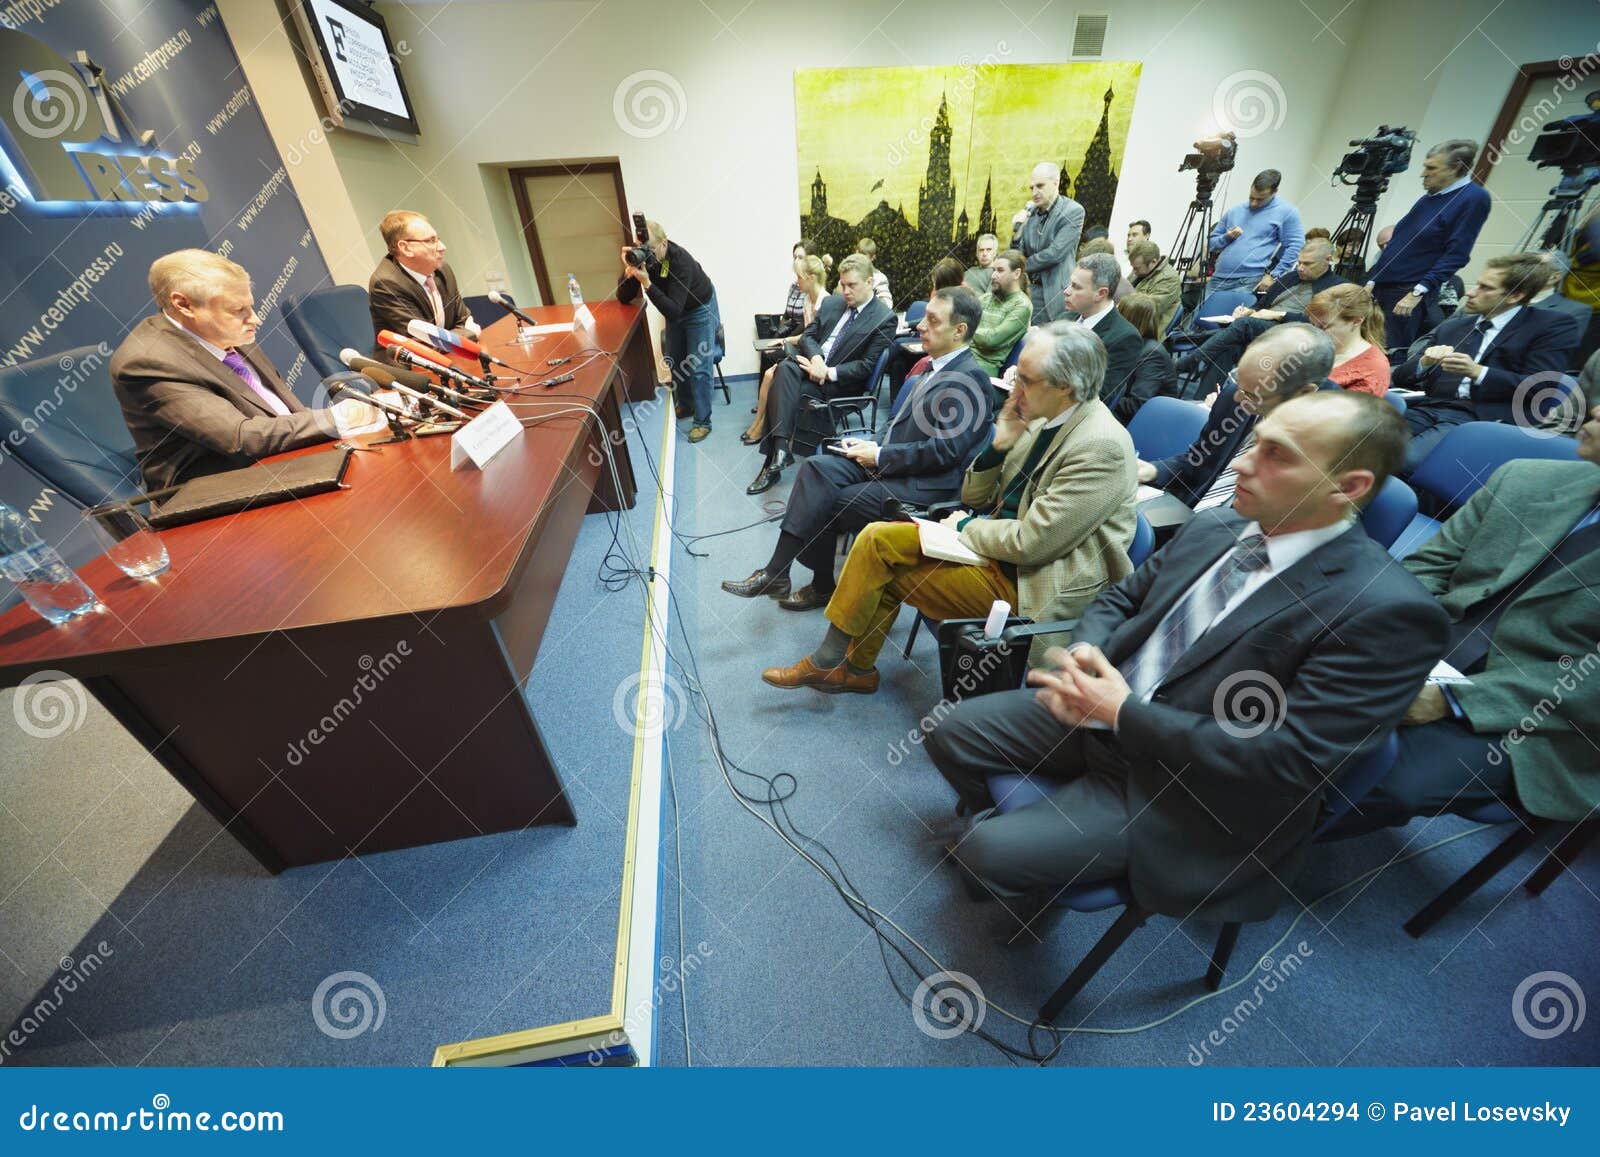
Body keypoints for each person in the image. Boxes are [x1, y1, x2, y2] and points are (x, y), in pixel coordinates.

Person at [925, 390, 1448, 922]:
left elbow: (1289, 760)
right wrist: (1084, 653)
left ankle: (1037, 851)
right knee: (947, 733)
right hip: (1101, 713)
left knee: (983, 852)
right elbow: (1122, 599)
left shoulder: (1388, 611)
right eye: (1254, 442)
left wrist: (1122, 713)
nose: (1242, 463)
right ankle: (1046, 835)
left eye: (1277, 455)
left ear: (1348, 487)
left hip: (1191, 789)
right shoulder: (1213, 526)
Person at [760, 321, 1137, 692]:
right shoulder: (1041, 417)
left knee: (883, 563)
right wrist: (998, 447)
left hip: (1033, 583)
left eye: (1025, 379)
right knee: (877, 539)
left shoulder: (1099, 446)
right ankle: (844, 666)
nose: (1013, 388)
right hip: (997, 552)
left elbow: (1033, 543)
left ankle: (843, 666)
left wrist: (964, 528)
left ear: (1065, 386)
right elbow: (975, 497)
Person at [1331, 402, 1600, 835]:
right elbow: (1430, 566)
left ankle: (1251, 851)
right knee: (1297, 663)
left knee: (1384, 778)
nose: (1597, 408)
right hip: (1435, 638)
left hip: (1541, 717)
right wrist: (1399, 636)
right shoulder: (1525, 477)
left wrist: (1452, 700)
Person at [722, 288, 995, 609]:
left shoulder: (970, 379)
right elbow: (898, 425)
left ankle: (822, 585)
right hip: (898, 462)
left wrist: (879, 455)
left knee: (831, 499)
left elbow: (943, 454)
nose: (920, 326)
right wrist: (872, 443)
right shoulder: (934, 365)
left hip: (926, 484)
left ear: (959, 330)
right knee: (816, 469)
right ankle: (777, 572)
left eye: (933, 321)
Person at [113, 250, 381, 493]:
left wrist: (357, 420)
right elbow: (242, 438)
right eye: (238, 310)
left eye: (250, 306)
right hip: (215, 494)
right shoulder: (148, 361)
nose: (254, 318)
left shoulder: (225, 331)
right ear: (184, 305)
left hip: (280, 464)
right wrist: (341, 417)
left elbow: (283, 413)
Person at [1394, 252, 1583, 472]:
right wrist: (1425, 362)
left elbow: (1542, 386)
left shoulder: (1550, 326)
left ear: (1515, 295)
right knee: (1364, 445)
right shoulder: (1454, 327)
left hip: (1485, 418)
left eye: (1485, 288)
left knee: (1403, 462)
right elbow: (1400, 377)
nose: (1471, 293)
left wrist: (1478, 372)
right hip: (1430, 407)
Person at [1139, 324, 1335, 509]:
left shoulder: (1331, 444)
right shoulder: (1235, 394)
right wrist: (1154, 470)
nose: (1238, 398)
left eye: (1252, 394)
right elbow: (1198, 459)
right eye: (1238, 381)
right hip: (1190, 512)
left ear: (1304, 393)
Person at [747, 254, 896, 494]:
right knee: (785, 368)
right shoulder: (833, 303)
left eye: (852, 285)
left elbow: (866, 366)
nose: (845, 291)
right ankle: (781, 452)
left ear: (870, 282)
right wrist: (816, 359)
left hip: (840, 382)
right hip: (811, 365)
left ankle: (773, 461)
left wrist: (827, 372)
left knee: (784, 389)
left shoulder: (884, 318)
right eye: (842, 284)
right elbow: (808, 336)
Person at [1365, 139, 1493, 357]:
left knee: (1385, 353)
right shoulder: (1430, 197)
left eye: (1432, 168)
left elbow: (1457, 254)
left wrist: (1418, 291)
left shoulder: (1473, 198)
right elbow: (1399, 243)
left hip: (1407, 292)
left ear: (1456, 168)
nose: (1423, 174)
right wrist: (1372, 281)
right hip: (1382, 287)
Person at [1178, 237, 1345, 396]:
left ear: (1328, 260)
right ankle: (1204, 402)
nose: (1300, 268)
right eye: (1299, 262)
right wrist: (1249, 311)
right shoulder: (1291, 277)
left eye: (1307, 264)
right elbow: (1261, 304)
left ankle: (1189, 360)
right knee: (1228, 348)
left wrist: (1280, 314)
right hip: (1262, 328)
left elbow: (1321, 324)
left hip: (1292, 335)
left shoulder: (1337, 287)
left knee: (1244, 324)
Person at [616, 219, 720, 443]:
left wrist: (647, 284)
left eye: (650, 249)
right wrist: (629, 272)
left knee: (699, 367)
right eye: (642, 248)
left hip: (699, 308)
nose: (646, 254)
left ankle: (703, 422)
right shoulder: (646, 259)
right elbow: (623, 297)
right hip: (676, 309)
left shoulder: (680, 260)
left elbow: (673, 311)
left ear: (663, 243)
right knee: (674, 359)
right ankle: (687, 405)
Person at [367, 210, 477, 358]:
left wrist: (456, 336)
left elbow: (463, 319)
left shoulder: (443, 270)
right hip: (408, 367)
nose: (442, 247)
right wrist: (469, 334)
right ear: (406, 248)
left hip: (449, 357)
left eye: (438, 239)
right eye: (431, 241)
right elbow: (426, 344)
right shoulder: (386, 284)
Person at [745, 255, 828, 445]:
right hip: (805, 350)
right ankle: (757, 423)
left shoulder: (825, 302)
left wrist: (787, 342)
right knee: (768, 373)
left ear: (811, 278)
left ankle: (762, 427)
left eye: (799, 276)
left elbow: (816, 340)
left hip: (816, 359)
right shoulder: (808, 300)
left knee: (771, 376)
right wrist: (783, 340)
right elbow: (807, 335)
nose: (796, 281)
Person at [1065, 253, 1143, 414]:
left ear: (1100, 294)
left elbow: (1096, 396)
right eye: (1070, 284)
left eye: (1076, 287)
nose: (1067, 291)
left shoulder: (1125, 338)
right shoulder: (1067, 316)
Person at [1205, 169, 1304, 293]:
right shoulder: (1235, 211)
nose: (1254, 203)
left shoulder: (1286, 212)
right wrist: (1227, 237)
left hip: (1248, 280)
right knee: (1202, 307)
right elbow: (1211, 244)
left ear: (1275, 192)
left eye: (1260, 199)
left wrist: (1274, 275)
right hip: (1218, 277)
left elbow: (1296, 245)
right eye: (1251, 197)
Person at [1013, 162, 1085, 323]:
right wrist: (1017, 232)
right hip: (1027, 289)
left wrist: (1020, 266)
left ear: (1056, 183)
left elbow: (1054, 254)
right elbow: (1017, 254)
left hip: (1053, 293)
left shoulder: (1073, 211)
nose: (1034, 192)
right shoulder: (1030, 213)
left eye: (1040, 186)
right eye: (1032, 188)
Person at [1306, 284, 1390, 395]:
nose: (1315, 332)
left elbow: (1354, 406)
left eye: (1324, 327)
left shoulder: (1374, 367)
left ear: (1356, 321)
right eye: (1313, 324)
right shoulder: (1312, 347)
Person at [1110, 292, 1177, 422]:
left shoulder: (1152, 354)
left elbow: (1137, 404)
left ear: (1127, 319)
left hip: (1145, 421)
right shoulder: (1125, 343)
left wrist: (1098, 398)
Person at [970, 249, 1033, 376]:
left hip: (983, 367)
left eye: (1000, 270)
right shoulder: (986, 298)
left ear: (1016, 273)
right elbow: (960, 323)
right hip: (964, 355)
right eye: (994, 270)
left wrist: (967, 330)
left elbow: (990, 339)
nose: (993, 276)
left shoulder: (1022, 305)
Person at [1128, 239, 1181, 333]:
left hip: (1149, 328)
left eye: (1136, 268)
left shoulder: (1169, 279)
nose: (1134, 272)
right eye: (1133, 267)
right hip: (1132, 320)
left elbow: (1147, 310)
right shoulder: (1140, 269)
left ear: (1153, 262)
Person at [856, 238, 895, 308]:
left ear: (873, 258)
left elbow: (887, 304)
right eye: (858, 257)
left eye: (864, 259)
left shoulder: (879, 278)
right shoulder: (848, 273)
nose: (860, 261)